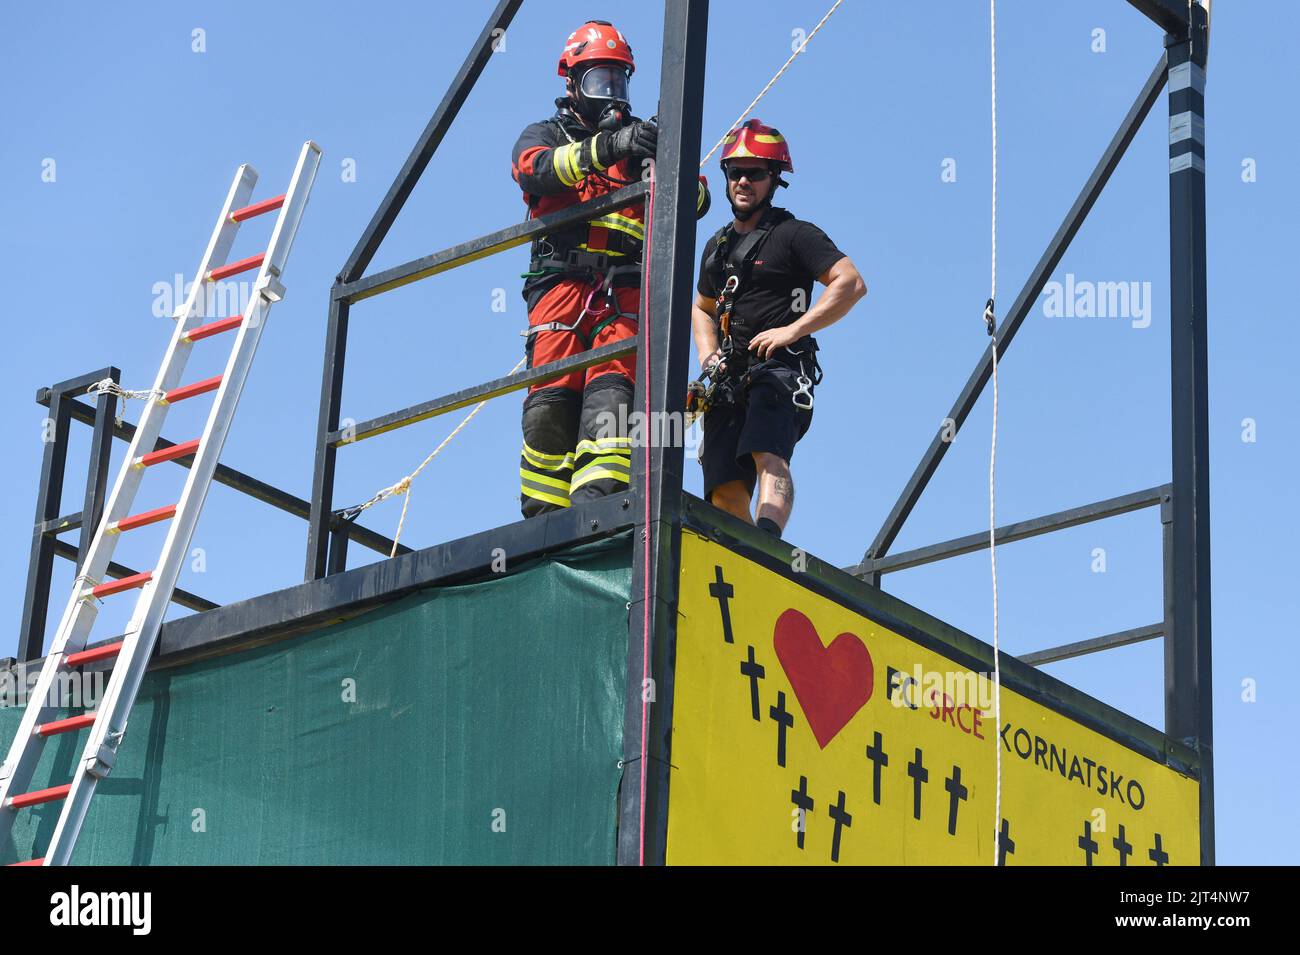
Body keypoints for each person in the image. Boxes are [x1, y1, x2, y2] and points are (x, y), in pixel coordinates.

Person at [511, 19, 711, 517]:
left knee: (612, 397)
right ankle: (542, 521)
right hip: (560, 285)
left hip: (623, 290)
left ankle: (596, 507)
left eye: (619, 81)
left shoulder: (641, 144)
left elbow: (699, 199)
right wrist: (611, 148)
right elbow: (533, 168)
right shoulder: (546, 134)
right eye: (601, 80)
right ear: (572, 84)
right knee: (549, 407)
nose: (612, 94)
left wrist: (669, 155)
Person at [691, 119, 866, 537]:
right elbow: (702, 308)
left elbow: (851, 283)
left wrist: (793, 331)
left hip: (778, 369)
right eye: (736, 172)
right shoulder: (716, 248)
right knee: (722, 486)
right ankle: (743, 553)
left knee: (767, 452)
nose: (744, 181)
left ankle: (767, 543)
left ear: (775, 179)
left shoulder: (794, 235)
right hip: (728, 377)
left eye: (755, 173)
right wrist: (708, 355)